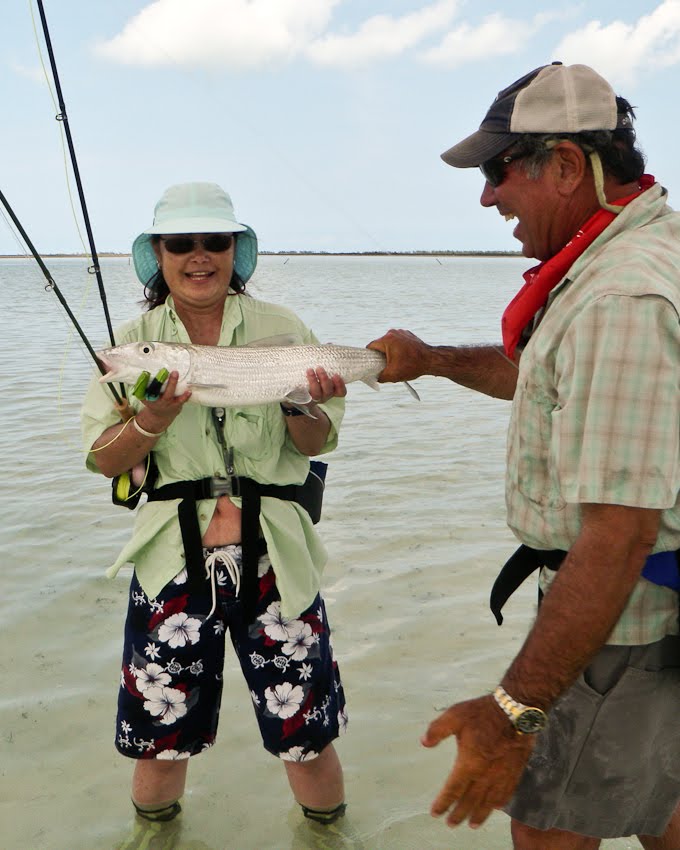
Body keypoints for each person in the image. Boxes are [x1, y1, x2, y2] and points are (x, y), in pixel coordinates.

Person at [368, 62, 680, 849]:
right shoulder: (640, 255)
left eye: (498, 171)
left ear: (569, 165)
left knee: (546, 835)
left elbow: (618, 533)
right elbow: (554, 381)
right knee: (667, 808)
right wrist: (432, 358)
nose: (487, 197)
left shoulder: (620, 298)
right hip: (652, 615)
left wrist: (512, 712)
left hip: (629, 624)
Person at [81, 182, 349, 829]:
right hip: (170, 564)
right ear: (158, 254)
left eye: (215, 241)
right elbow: (103, 459)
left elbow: (318, 438)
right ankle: (155, 838)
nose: (199, 255)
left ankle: (331, 838)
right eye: (181, 243)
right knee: (158, 736)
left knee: (305, 735)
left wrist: (297, 400)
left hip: (276, 562)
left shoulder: (283, 330)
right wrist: (150, 420)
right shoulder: (135, 343)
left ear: (236, 250)